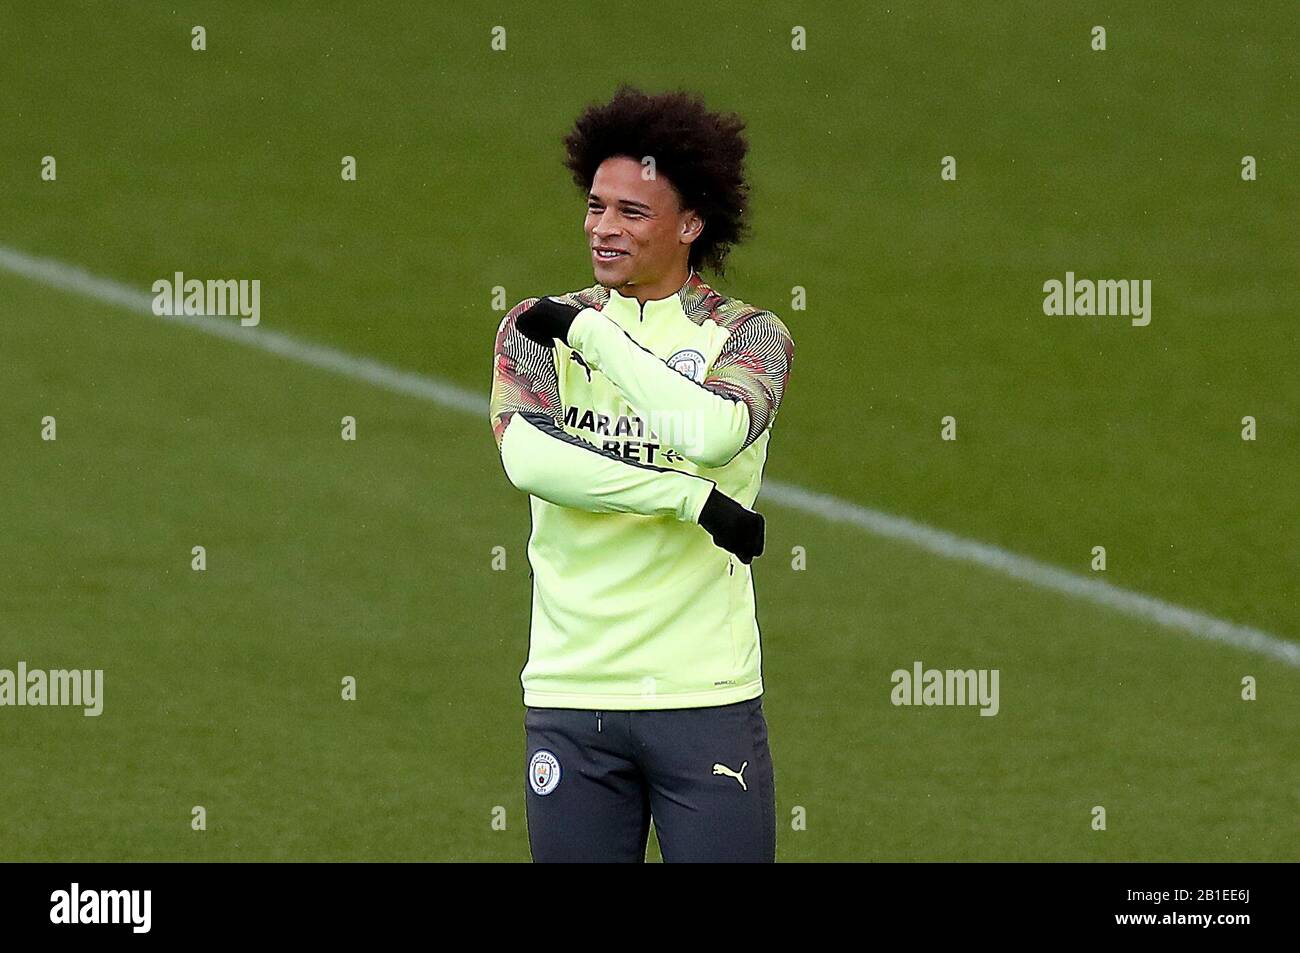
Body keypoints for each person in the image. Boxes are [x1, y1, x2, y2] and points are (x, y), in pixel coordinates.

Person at [488, 85, 794, 862]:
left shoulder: (748, 335)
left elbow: (711, 429)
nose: (603, 228)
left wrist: (596, 333)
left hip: (702, 694)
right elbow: (531, 459)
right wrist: (687, 498)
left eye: (632, 211)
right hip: (571, 689)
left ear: (690, 223)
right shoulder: (534, 327)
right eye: (596, 206)